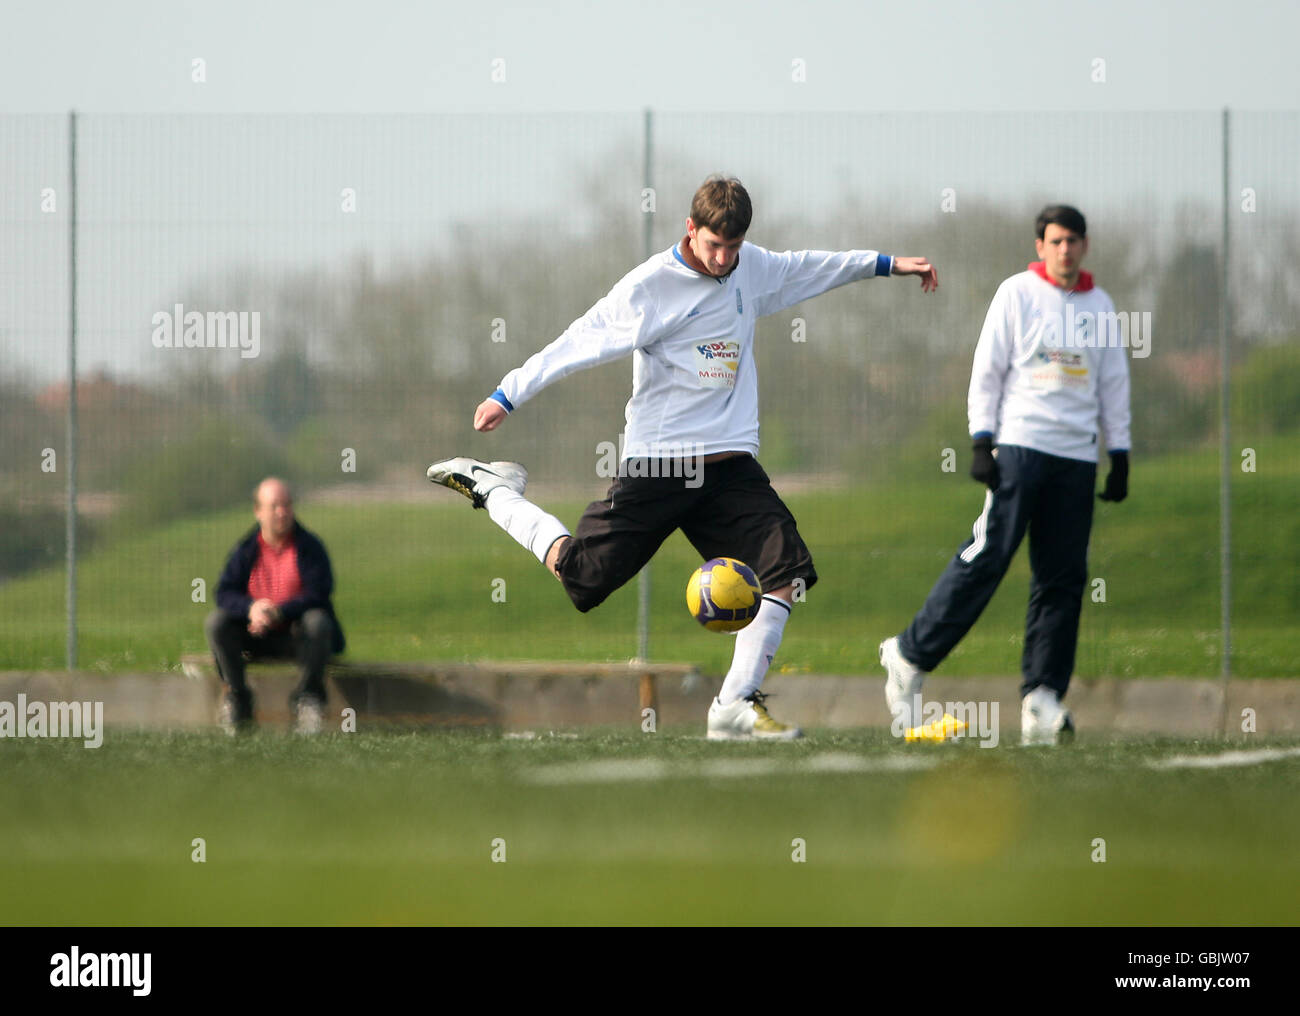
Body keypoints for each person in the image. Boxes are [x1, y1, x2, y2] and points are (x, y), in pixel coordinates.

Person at [427, 175, 937, 740]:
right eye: (713, 245)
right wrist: (508, 393)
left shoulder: (751, 268)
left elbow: (812, 268)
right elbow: (580, 339)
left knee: (786, 573)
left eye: (733, 248)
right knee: (584, 579)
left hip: (729, 466)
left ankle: (734, 704)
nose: (723, 259)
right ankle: (496, 489)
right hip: (661, 465)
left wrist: (887, 264)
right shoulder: (651, 287)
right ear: (690, 230)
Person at [879, 204, 1131, 746]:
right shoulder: (1016, 293)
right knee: (989, 556)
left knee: (1062, 577)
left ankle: (1042, 696)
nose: (1065, 250)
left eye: (1073, 241)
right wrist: (980, 441)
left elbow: (1113, 383)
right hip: (1020, 448)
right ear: (1040, 246)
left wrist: (1122, 453)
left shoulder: (1101, 305)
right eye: (1056, 241)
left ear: (1084, 246)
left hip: (1077, 459)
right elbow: (987, 369)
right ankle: (908, 654)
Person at [205, 477, 346, 734]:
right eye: (274, 506)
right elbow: (223, 593)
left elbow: (319, 593)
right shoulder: (245, 550)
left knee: (318, 622)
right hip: (255, 636)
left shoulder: (310, 548)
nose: (282, 512)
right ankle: (238, 698)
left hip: (298, 637)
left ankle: (308, 699)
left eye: (287, 505)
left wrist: (279, 612)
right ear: (258, 512)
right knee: (216, 623)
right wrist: (251, 609)